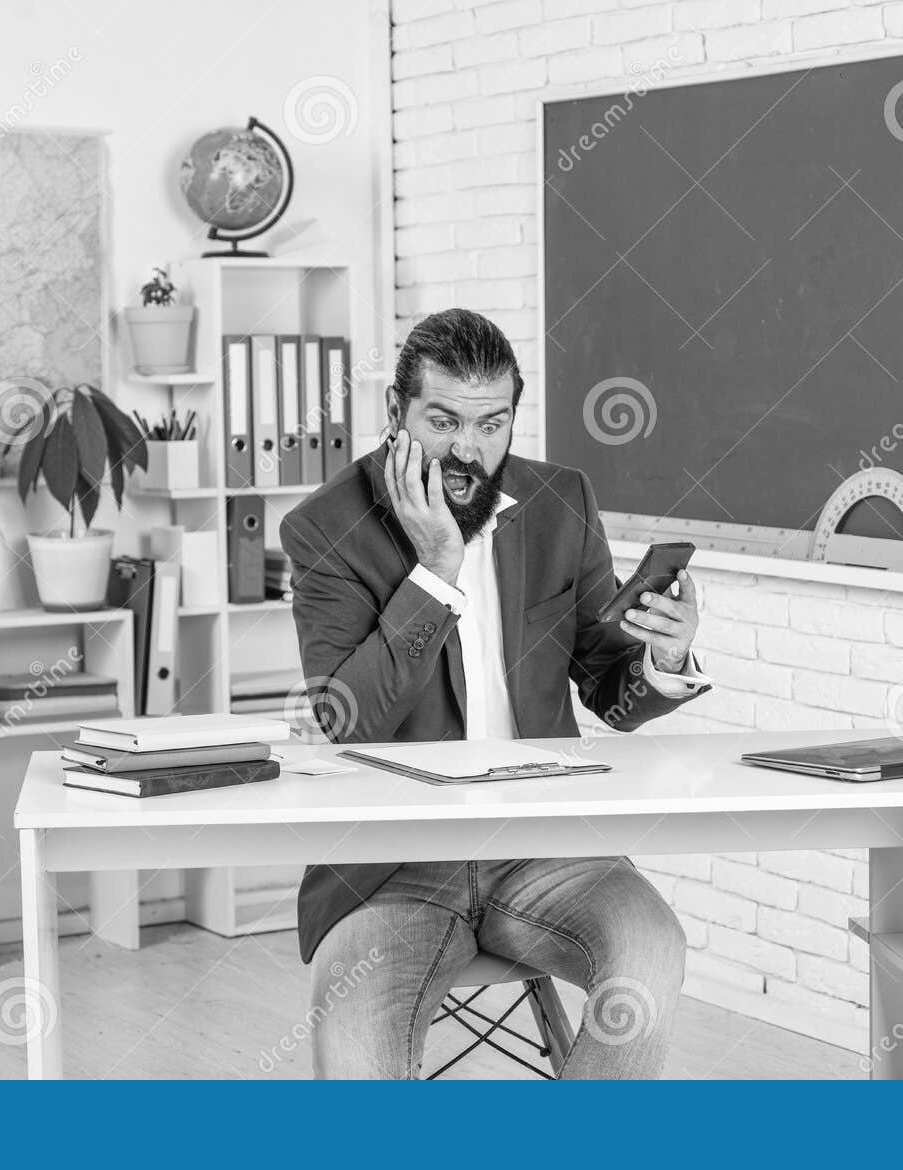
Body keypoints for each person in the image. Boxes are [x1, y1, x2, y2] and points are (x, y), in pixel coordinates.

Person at [281, 308, 712, 1078]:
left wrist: (665, 657)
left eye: (491, 423)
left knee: (651, 950)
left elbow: (608, 690)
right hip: (392, 868)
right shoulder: (326, 529)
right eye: (442, 420)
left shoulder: (560, 504)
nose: (468, 449)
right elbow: (346, 721)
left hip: (546, 848)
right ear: (396, 414)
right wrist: (437, 567)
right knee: (352, 1058)